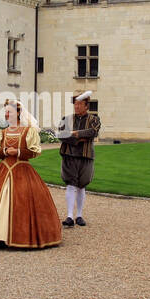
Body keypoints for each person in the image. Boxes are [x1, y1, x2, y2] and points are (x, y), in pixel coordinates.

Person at [0, 99, 62, 249]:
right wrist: (5, 151)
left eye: (10, 112)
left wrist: (19, 152)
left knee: (24, 200)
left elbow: (35, 151)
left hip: (22, 169)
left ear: (19, 113)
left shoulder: (28, 131)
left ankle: (20, 236)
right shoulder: (1, 133)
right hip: (4, 169)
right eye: (6, 112)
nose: (7, 114)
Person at [58, 90, 101, 227]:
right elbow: (61, 135)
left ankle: (79, 215)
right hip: (69, 155)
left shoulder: (94, 119)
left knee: (82, 185)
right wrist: (79, 139)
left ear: (86, 106)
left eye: (80, 104)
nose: (76, 106)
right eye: (75, 104)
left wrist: (75, 133)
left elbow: (93, 131)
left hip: (86, 155)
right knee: (71, 184)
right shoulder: (67, 119)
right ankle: (70, 216)